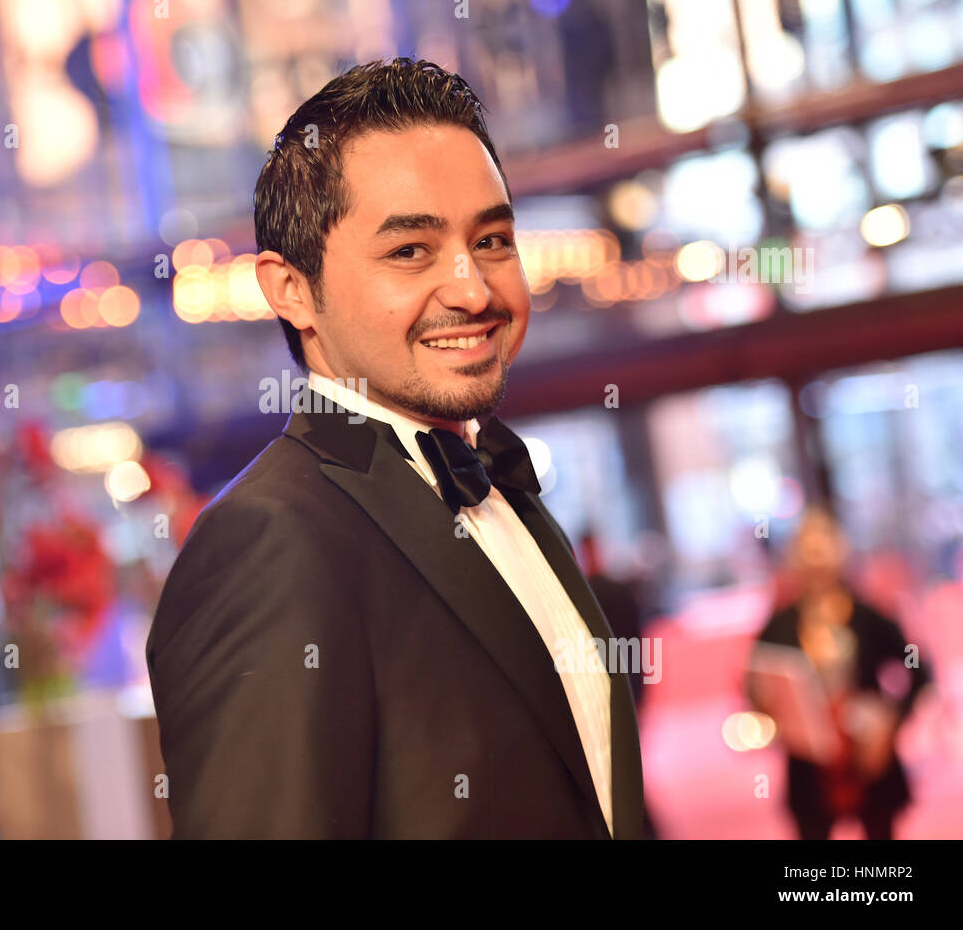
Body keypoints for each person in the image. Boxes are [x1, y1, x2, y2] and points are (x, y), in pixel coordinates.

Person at [144, 59, 644, 838]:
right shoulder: (271, 540)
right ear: (290, 288)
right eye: (410, 251)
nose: (473, 290)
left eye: (492, 239)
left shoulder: (506, 488)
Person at [747, 507, 930, 840]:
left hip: (869, 757)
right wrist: (774, 711)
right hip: (809, 766)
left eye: (824, 549)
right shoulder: (781, 623)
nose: (817, 562)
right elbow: (753, 684)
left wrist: (891, 722)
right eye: (808, 551)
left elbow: (917, 666)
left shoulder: (867, 616)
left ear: (840, 553)